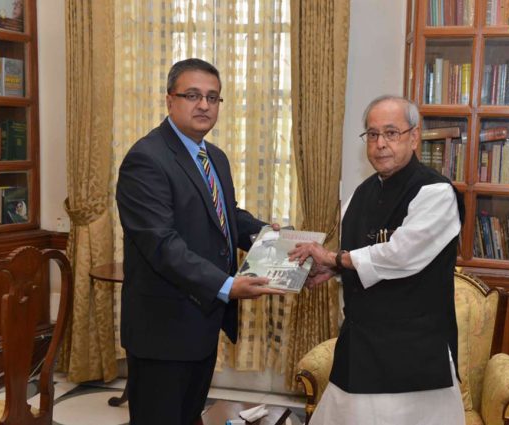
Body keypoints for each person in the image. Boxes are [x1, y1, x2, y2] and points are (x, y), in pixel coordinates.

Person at [116, 58, 285, 425]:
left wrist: (271, 237)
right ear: (169, 100)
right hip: (163, 331)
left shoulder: (215, 157)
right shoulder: (146, 158)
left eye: (213, 97)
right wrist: (227, 286)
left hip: (202, 325)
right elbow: (162, 245)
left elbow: (226, 217)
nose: (204, 105)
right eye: (192, 95)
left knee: (189, 416)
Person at [289, 95, 466, 425]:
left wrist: (334, 258)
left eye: (391, 133)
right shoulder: (360, 194)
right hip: (360, 348)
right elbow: (362, 259)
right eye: (372, 134)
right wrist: (333, 269)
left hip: (414, 356)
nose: (380, 144)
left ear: (414, 137)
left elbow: (400, 256)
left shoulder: (436, 192)